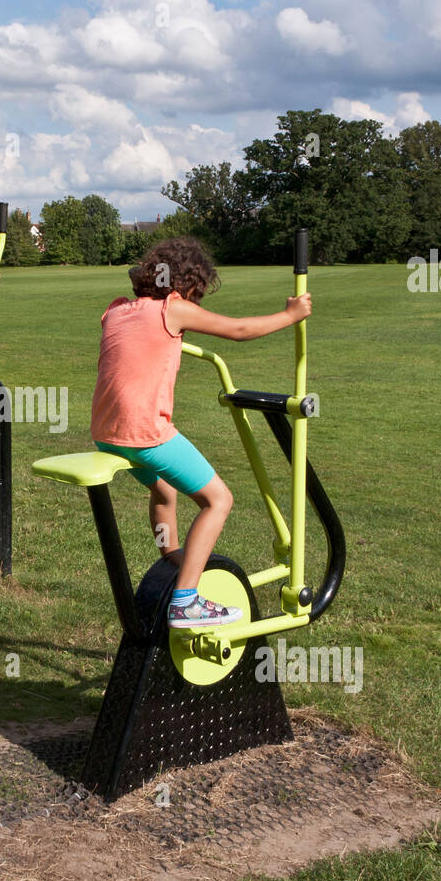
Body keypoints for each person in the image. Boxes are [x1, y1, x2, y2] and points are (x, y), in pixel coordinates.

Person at [90, 236, 311, 627]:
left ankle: (170, 553)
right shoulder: (172, 309)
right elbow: (239, 329)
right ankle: (187, 600)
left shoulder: (116, 310)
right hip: (145, 432)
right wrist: (291, 316)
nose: (198, 302)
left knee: (162, 489)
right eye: (197, 293)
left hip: (106, 431)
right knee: (218, 500)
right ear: (184, 288)